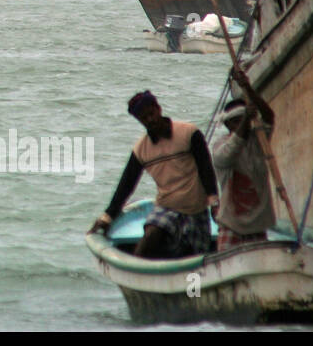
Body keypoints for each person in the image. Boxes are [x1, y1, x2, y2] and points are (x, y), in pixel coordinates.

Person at [88, 91, 219, 258]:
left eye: (151, 114)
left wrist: (214, 201)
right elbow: (127, 184)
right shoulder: (141, 149)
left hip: (196, 210)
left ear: (159, 108)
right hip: (166, 208)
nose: (150, 120)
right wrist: (108, 216)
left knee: (195, 255)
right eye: (144, 118)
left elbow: (206, 168)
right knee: (151, 234)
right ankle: (136, 271)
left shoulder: (189, 133)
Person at [211, 70, 276, 250]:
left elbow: (269, 117)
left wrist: (248, 87)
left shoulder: (258, 141)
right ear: (227, 126)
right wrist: (246, 118)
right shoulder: (220, 147)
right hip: (232, 226)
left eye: (243, 119)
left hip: (258, 226)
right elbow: (231, 150)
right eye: (235, 122)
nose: (242, 124)